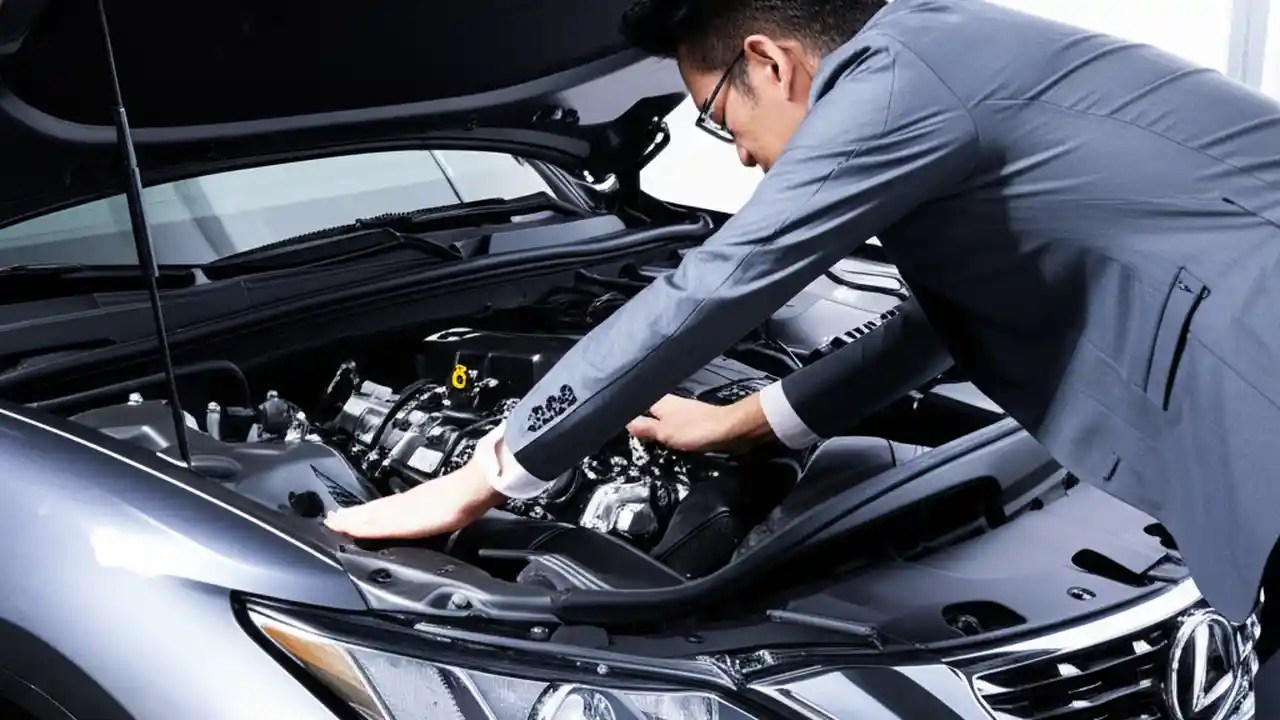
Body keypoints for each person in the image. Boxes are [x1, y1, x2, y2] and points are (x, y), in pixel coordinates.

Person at [326, 0, 1280, 703]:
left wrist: (486, 474)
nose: (740, 155)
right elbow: (943, 317)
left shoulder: (900, 82)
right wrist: (750, 422)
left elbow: (719, 284)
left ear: (768, 62)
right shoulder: (945, 49)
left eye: (718, 120)